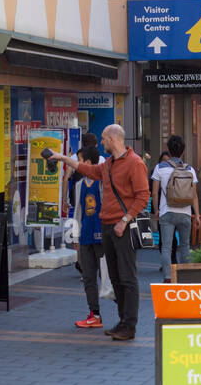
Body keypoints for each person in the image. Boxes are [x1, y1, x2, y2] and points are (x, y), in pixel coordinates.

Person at [52, 124, 149, 341]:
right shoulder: (109, 165)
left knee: (127, 277)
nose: (102, 143)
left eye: (104, 139)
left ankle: (129, 326)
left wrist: (124, 220)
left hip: (122, 227)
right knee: (114, 277)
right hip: (108, 227)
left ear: (113, 139)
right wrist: (64, 159)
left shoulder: (135, 163)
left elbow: (143, 197)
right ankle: (122, 322)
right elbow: (89, 170)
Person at [152, 135, 199, 283]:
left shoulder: (160, 168)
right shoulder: (190, 169)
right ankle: (184, 277)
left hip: (167, 211)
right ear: (183, 152)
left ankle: (168, 278)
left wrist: (156, 210)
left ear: (169, 150)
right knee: (185, 245)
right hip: (185, 212)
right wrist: (197, 215)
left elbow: (154, 192)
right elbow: (195, 195)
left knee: (166, 247)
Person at [71, 146, 106, 328]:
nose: (78, 164)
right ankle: (95, 314)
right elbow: (78, 212)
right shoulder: (79, 185)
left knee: (108, 277)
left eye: (81, 160)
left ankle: (124, 311)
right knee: (88, 277)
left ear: (90, 163)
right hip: (85, 237)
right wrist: (75, 237)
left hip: (102, 237)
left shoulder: (102, 183)